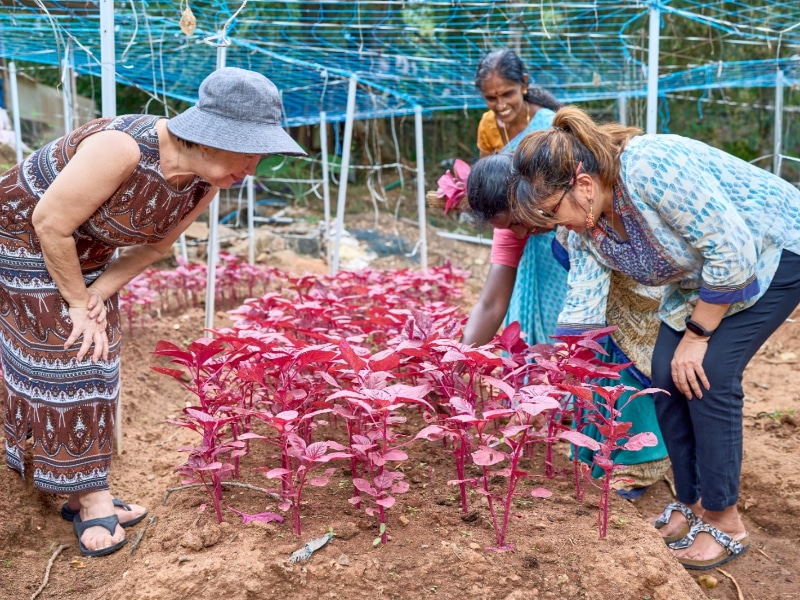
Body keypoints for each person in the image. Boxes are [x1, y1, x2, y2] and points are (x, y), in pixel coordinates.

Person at [0, 67, 306, 557]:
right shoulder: (121, 148)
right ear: (209, 139)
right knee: (73, 352)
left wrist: (98, 295)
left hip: (85, 256)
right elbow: (48, 223)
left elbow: (153, 249)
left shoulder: (203, 181)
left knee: (102, 350)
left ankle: (81, 489)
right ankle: (92, 497)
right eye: (247, 152)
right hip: (22, 240)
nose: (251, 169)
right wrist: (77, 303)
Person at [508, 105, 800, 569]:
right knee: (662, 375)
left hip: (771, 249)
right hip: (701, 278)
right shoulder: (584, 224)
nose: (550, 225)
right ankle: (692, 503)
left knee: (706, 374)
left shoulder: (649, 166)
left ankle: (725, 520)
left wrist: (699, 335)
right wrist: (558, 374)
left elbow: (733, 252)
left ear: (582, 185)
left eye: (549, 211)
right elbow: (582, 302)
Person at [463, 153, 670, 498]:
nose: (518, 231)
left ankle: (639, 460)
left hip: (623, 300)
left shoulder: (578, 207)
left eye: (518, 219)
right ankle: (593, 452)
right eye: (507, 227)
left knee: (620, 362)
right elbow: (490, 301)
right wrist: (461, 360)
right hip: (577, 309)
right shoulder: (515, 225)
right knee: (585, 363)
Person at [464, 48, 566, 348]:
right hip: (517, 212)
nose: (500, 105)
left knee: (562, 317)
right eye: (491, 99)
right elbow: (490, 303)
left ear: (523, 84)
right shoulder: (510, 222)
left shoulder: (551, 128)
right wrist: (455, 362)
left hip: (556, 233)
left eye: (507, 94)